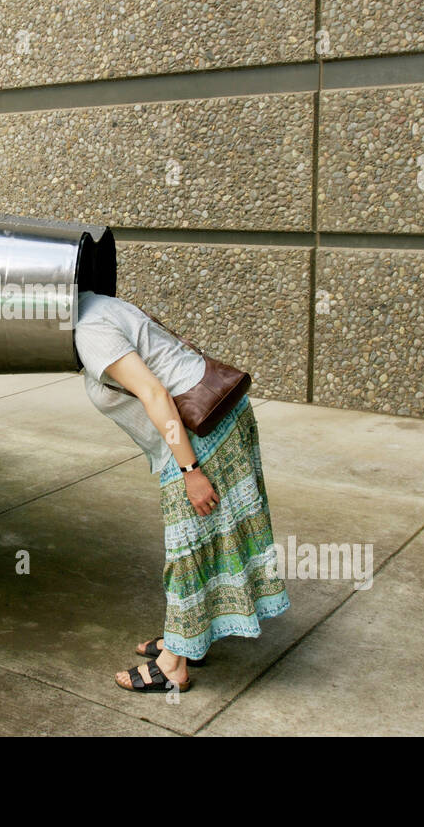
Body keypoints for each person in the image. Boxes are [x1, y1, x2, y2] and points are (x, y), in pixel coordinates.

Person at [73, 289, 290, 693]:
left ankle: (174, 664)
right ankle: (188, 639)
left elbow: (155, 394)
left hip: (198, 438)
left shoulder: (89, 331)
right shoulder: (94, 302)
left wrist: (190, 469)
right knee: (206, 543)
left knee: (186, 552)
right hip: (215, 419)